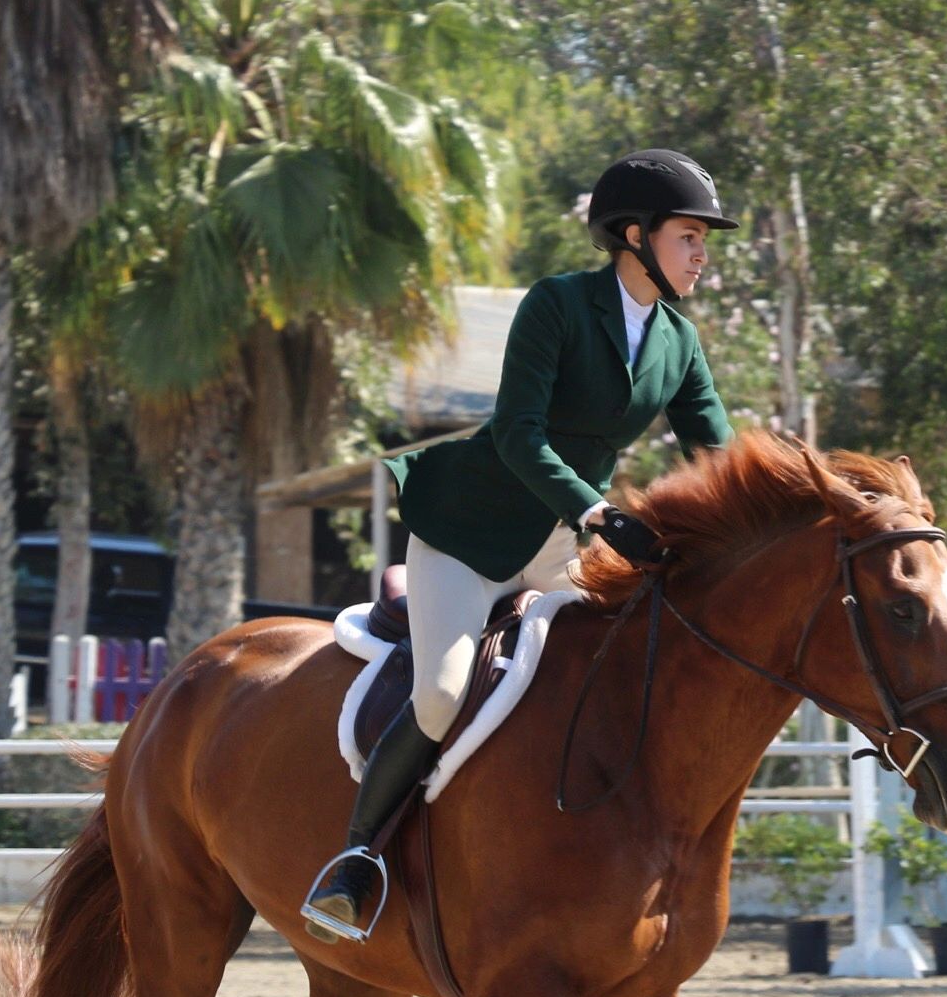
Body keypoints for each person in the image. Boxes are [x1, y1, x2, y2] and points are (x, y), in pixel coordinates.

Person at [300, 148, 739, 943]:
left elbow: (719, 456)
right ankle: (355, 861)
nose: (702, 254)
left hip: (563, 545)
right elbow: (517, 434)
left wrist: (779, 508)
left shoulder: (677, 341)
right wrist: (597, 512)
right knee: (443, 690)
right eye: (688, 236)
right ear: (634, 236)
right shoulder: (559, 304)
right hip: (472, 534)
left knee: (607, 681)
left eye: (703, 240)